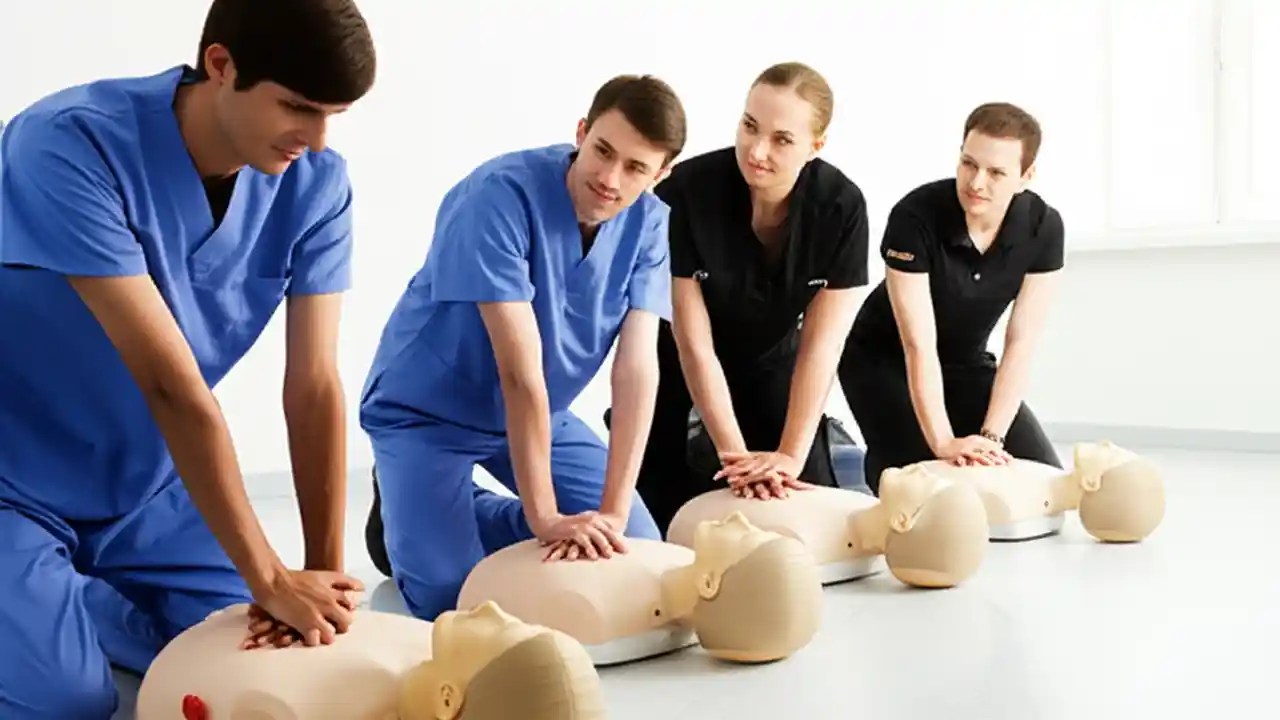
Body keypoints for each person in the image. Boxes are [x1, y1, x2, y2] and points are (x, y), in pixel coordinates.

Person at [0, 1, 375, 716]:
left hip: (148, 484)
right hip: (13, 480)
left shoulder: (317, 182)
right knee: (67, 700)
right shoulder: (68, 144)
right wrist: (266, 574)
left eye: (334, 114)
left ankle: (72, 601)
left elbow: (315, 386)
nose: (318, 139)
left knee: (256, 650)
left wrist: (322, 580)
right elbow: (173, 388)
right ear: (221, 65)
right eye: (297, 107)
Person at [359, 74, 686, 621]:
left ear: (661, 174)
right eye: (602, 150)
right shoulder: (499, 196)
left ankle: (453, 512)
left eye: (635, 168)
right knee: (452, 599)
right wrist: (543, 518)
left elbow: (636, 371)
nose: (610, 178)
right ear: (581, 132)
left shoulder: (650, 224)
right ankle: (402, 513)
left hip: (542, 416)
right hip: (427, 413)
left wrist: (610, 512)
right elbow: (520, 372)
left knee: (635, 545)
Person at [621, 62, 871, 534]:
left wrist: (791, 456)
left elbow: (821, 347)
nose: (757, 151)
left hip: (771, 358)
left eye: (782, 139)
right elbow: (695, 347)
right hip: (675, 362)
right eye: (749, 126)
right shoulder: (685, 194)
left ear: (816, 146)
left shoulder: (842, 208)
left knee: (803, 510)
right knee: (665, 528)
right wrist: (736, 460)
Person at [838, 101, 1064, 495]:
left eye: (996, 172)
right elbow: (917, 344)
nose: (977, 183)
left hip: (965, 362)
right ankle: (842, 454)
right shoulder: (915, 217)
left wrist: (992, 438)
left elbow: (1020, 344)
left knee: (1040, 479)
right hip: (881, 359)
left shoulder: (1044, 228)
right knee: (919, 488)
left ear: (1026, 176)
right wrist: (943, 442)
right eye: (968, 164)